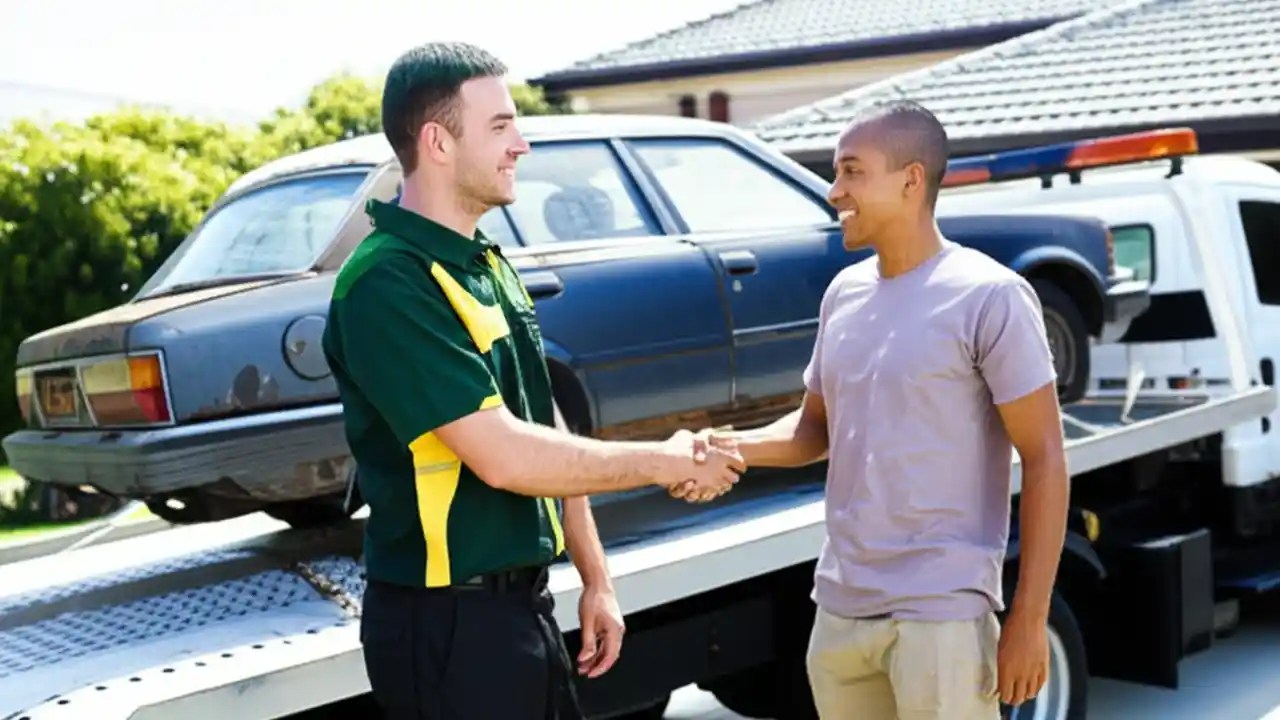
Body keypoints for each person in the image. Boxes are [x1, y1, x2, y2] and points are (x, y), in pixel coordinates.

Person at [320, 41, 744, 720]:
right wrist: (663, 461)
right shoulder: (387, 282)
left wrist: (596, 577)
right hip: (446, 627)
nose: (521, 145)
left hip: (518, 612)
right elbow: (504, 456)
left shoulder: (485, 262)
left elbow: (548, 425)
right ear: (437, 142)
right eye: (500, 127)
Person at [678, 100, 1070, 718]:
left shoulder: (990, 295)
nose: (834, 191)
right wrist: (725, 446)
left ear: (911, 180)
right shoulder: (845, 293)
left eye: (852, 172)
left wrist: (1028, 617)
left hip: (940, 616)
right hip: (840, 612)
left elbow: (1045, 457)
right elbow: (814, 431)